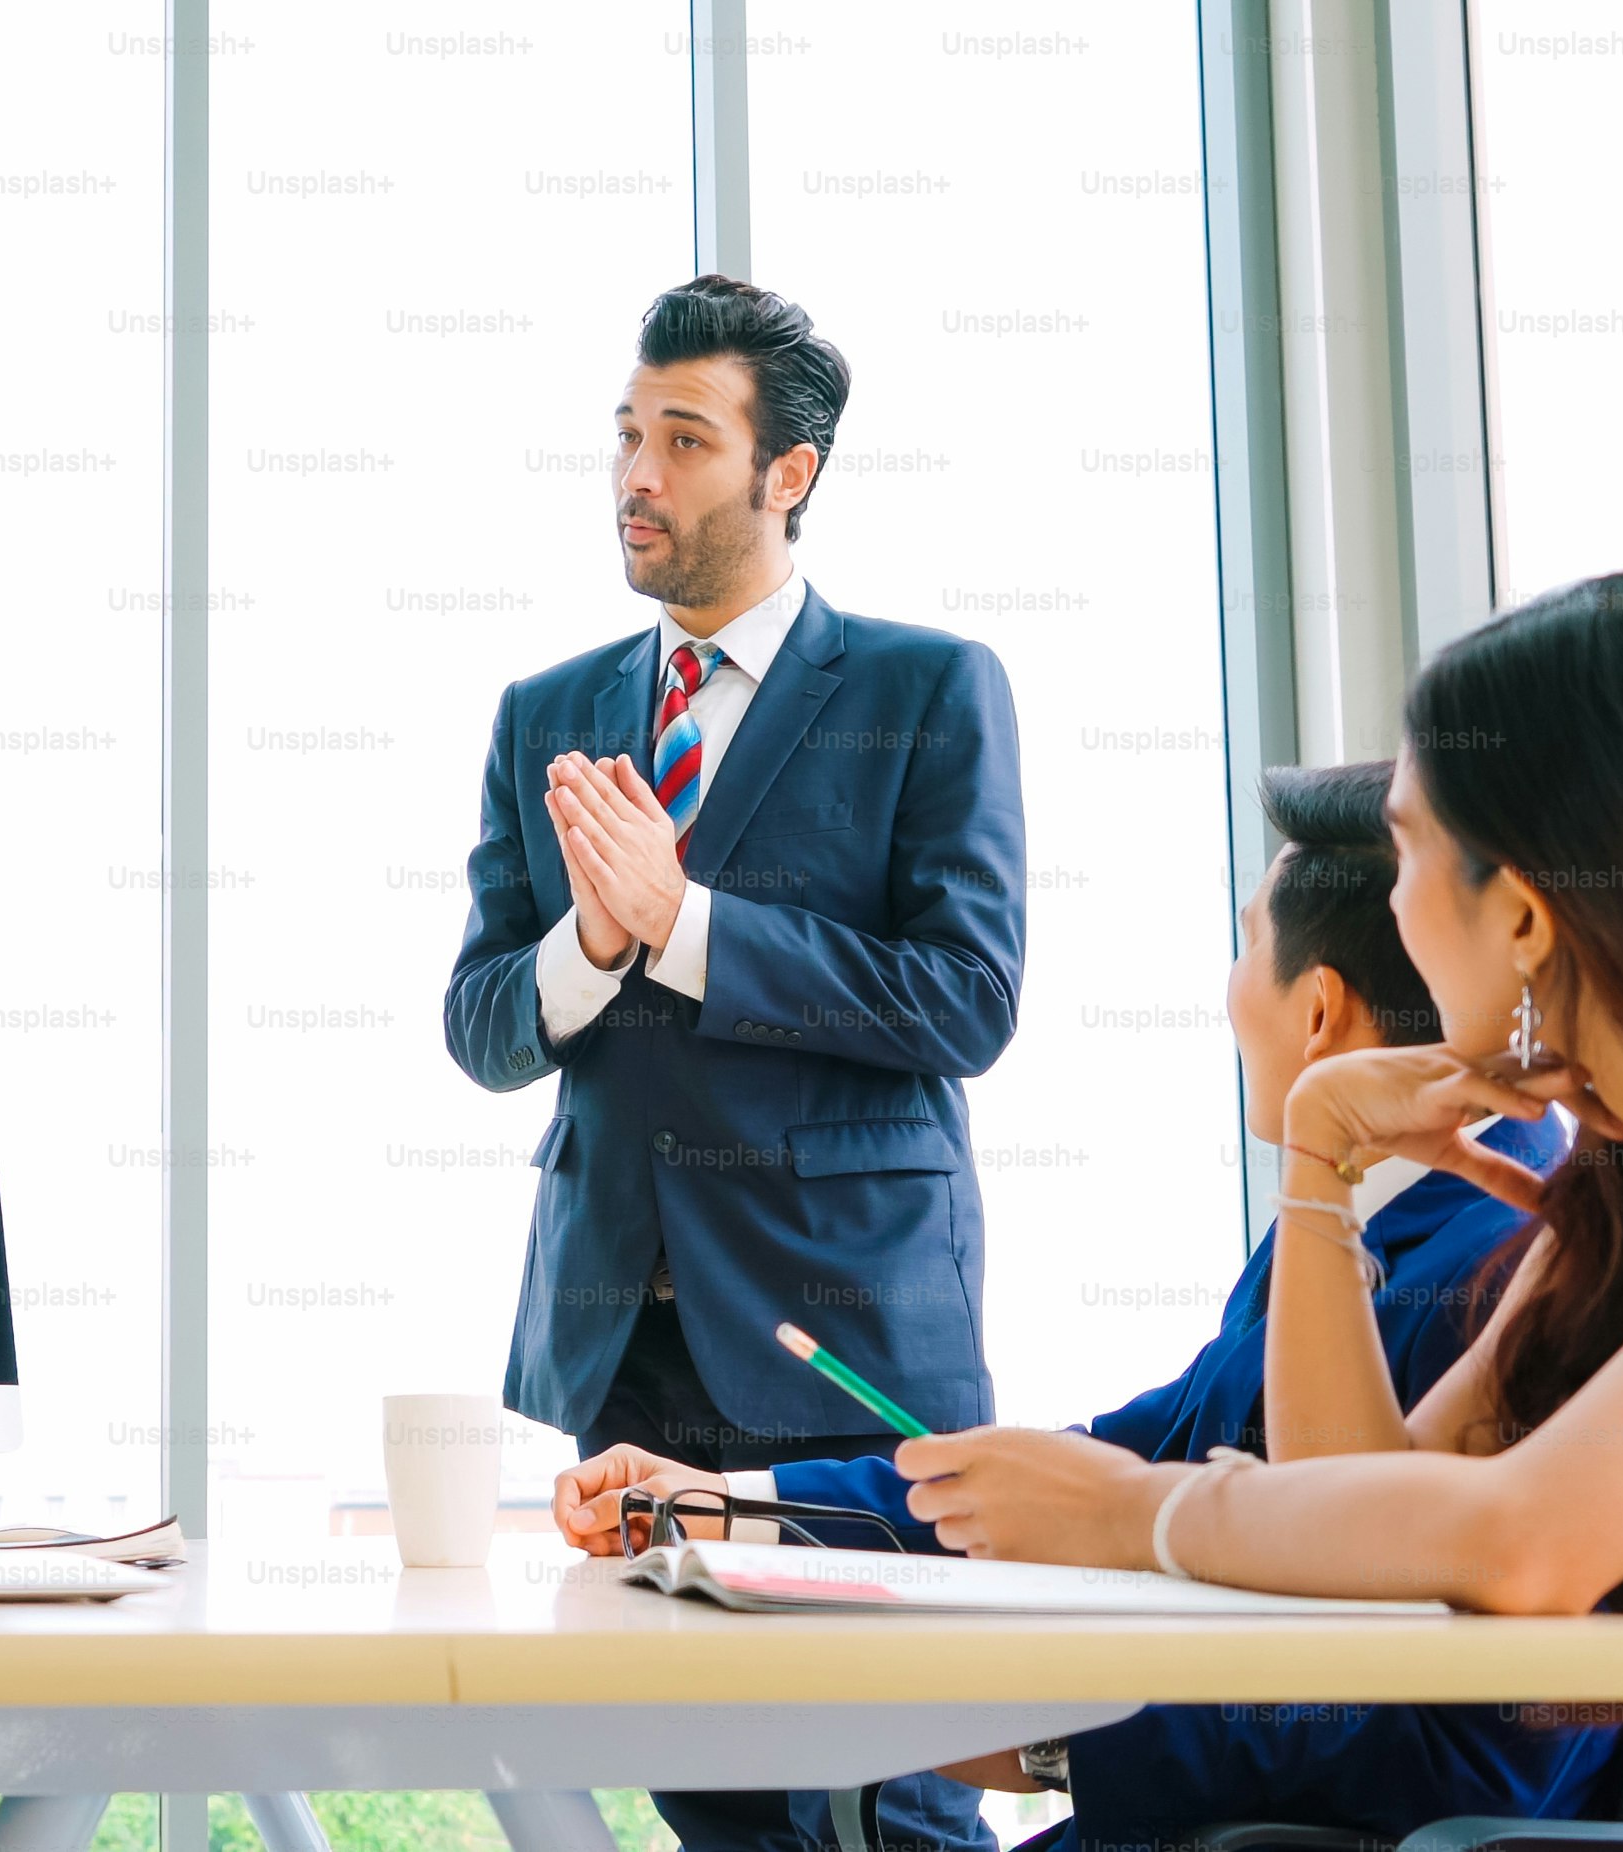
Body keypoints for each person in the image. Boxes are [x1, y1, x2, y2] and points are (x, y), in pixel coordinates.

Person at [889, 573, 1623, 1852]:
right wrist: (1319, 1156)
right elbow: (1371, 1544)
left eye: (1403, 849)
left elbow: (1525, 1542)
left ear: (1516, 911)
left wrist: (1132, 1510)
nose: (1386, 901)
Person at [559, 760, 1623, 1847]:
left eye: (1243, 940)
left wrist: (1054, 1740)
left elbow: (1423, 1721)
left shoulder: (1504, 1264)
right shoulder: (1357, 1226)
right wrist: (732, 1499)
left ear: (1317, 1009)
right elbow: (1099, 1461)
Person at [445, 273, 1025, 1852]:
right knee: (709, 1798)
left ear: (791, 475)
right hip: (619, 1346)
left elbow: (964, 999)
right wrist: (599, 942)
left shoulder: (923, 690)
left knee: (885, 1804)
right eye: (626, 434)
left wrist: (685, 921)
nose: (637, 475)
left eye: (683, 439)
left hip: (840, 1331)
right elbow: (484, 1020)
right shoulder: (544, 713)